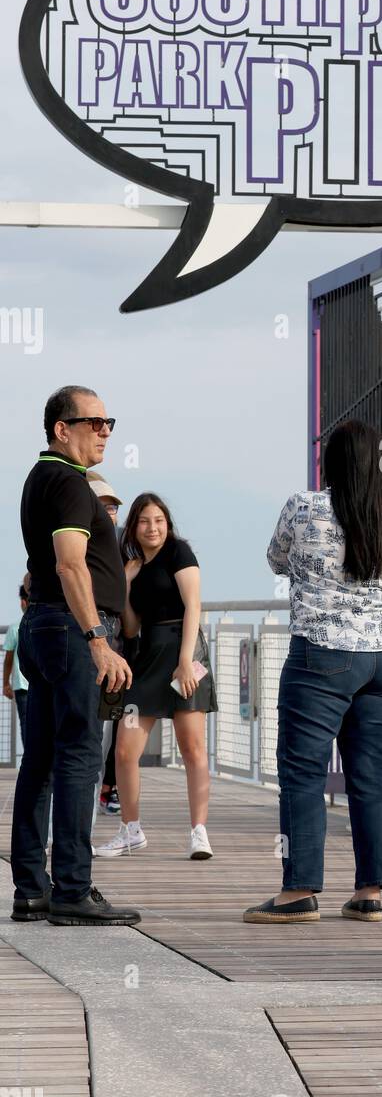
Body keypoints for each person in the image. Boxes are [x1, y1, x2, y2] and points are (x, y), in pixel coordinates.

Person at [244, 418, 382, 925]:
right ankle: (369, 893)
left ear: (330, 462)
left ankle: (299, 892)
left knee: (303, 772)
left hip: (324, 653)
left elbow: (276, 560)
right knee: (372, 775)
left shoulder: (305, 506)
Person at [10, 385, 140, 926]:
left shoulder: (43, 478)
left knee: (40, 759)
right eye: (94, 422)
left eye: (109, 421)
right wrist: (97, 637)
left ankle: (32, 889)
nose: (106, 430)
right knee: (81, 755)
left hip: (43, 625)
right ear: (63, 430)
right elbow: (70, 566)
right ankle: (72, 888)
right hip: (69, 629)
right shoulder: (66, 481)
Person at [93, 493, 216, 860]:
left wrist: (183, 661)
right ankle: (130, 830)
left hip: (186, 651)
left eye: (159, 520)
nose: (152, 528)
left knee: (192, 747)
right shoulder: (133, 566)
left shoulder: (180, 552)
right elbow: (130, 629)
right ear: (134, 526)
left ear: (167, 523)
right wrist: (127, 584)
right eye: (144, 521)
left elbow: (194, 605)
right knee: (126, 750)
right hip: (147, 657)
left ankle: (199, 832)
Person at [87, 476, 124, 816]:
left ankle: (81, 832)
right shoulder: (79, 545)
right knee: (83, 745)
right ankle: (69, 839)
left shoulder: (117, 547)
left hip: (115, 651)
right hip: (91, 645)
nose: (109, 514)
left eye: (112, 508)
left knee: (98, 738)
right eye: (103, 507)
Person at [3, 575, 30, 748]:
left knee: (26, 725)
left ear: (24, 601)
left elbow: (8, 659)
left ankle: (31, 765)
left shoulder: (15, 627)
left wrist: (5, 683)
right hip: (43, 684)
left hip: (22, 686)